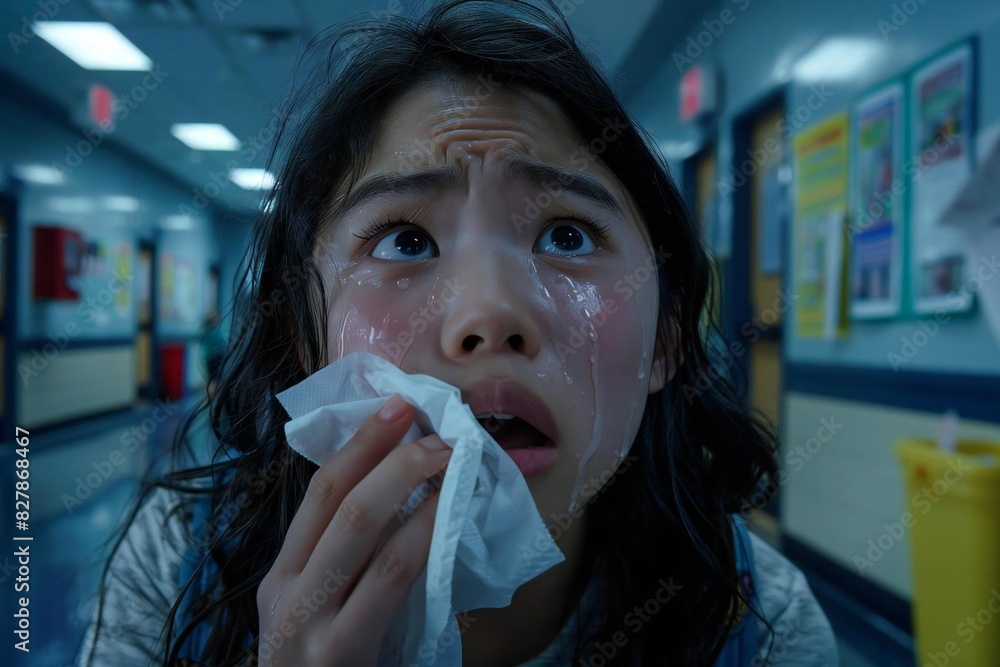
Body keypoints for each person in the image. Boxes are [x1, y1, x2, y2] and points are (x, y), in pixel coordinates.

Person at [75, 1, 838, 665]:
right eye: (406, 240)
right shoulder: (178, 562)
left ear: (665, 340)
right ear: (308, 340)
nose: (490, 315)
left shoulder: (759, 621)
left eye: (568, 235)